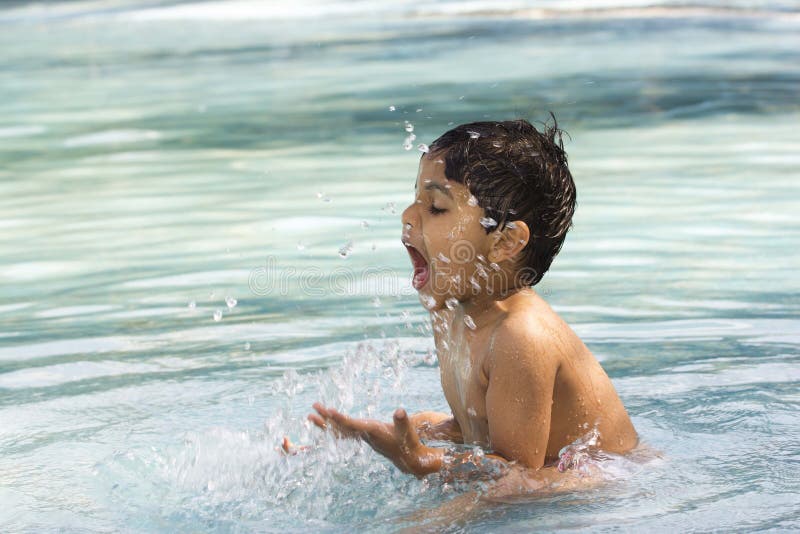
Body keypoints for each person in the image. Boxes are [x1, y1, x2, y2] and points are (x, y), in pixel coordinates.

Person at [303, 118, 638, 495]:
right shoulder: (450, 311)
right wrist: (377, 440)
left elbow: (516, 479)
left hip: (606, 481)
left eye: (436, 207)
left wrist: (423, 461)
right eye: (415, 200)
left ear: (504, 242)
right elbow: (473, 430)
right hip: (530, 473)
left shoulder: (520, 336)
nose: (407, 217)